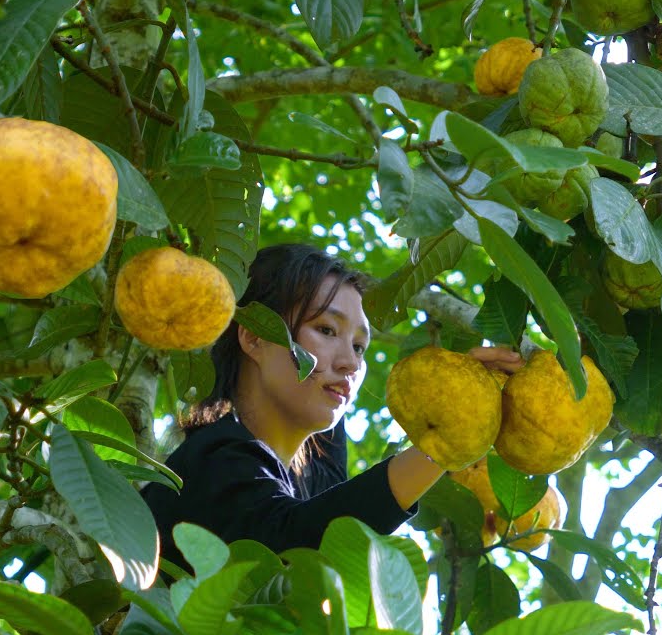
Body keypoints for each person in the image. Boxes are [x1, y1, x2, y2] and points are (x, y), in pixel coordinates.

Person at [140, 243, 523, 572]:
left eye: (359, 346)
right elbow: (293, 543)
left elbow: (334, 506)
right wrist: (449, 436)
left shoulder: (317, 472)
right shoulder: (213, 457)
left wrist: (472, 391)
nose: (350, 364)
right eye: (326, 330)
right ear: (255, 336)